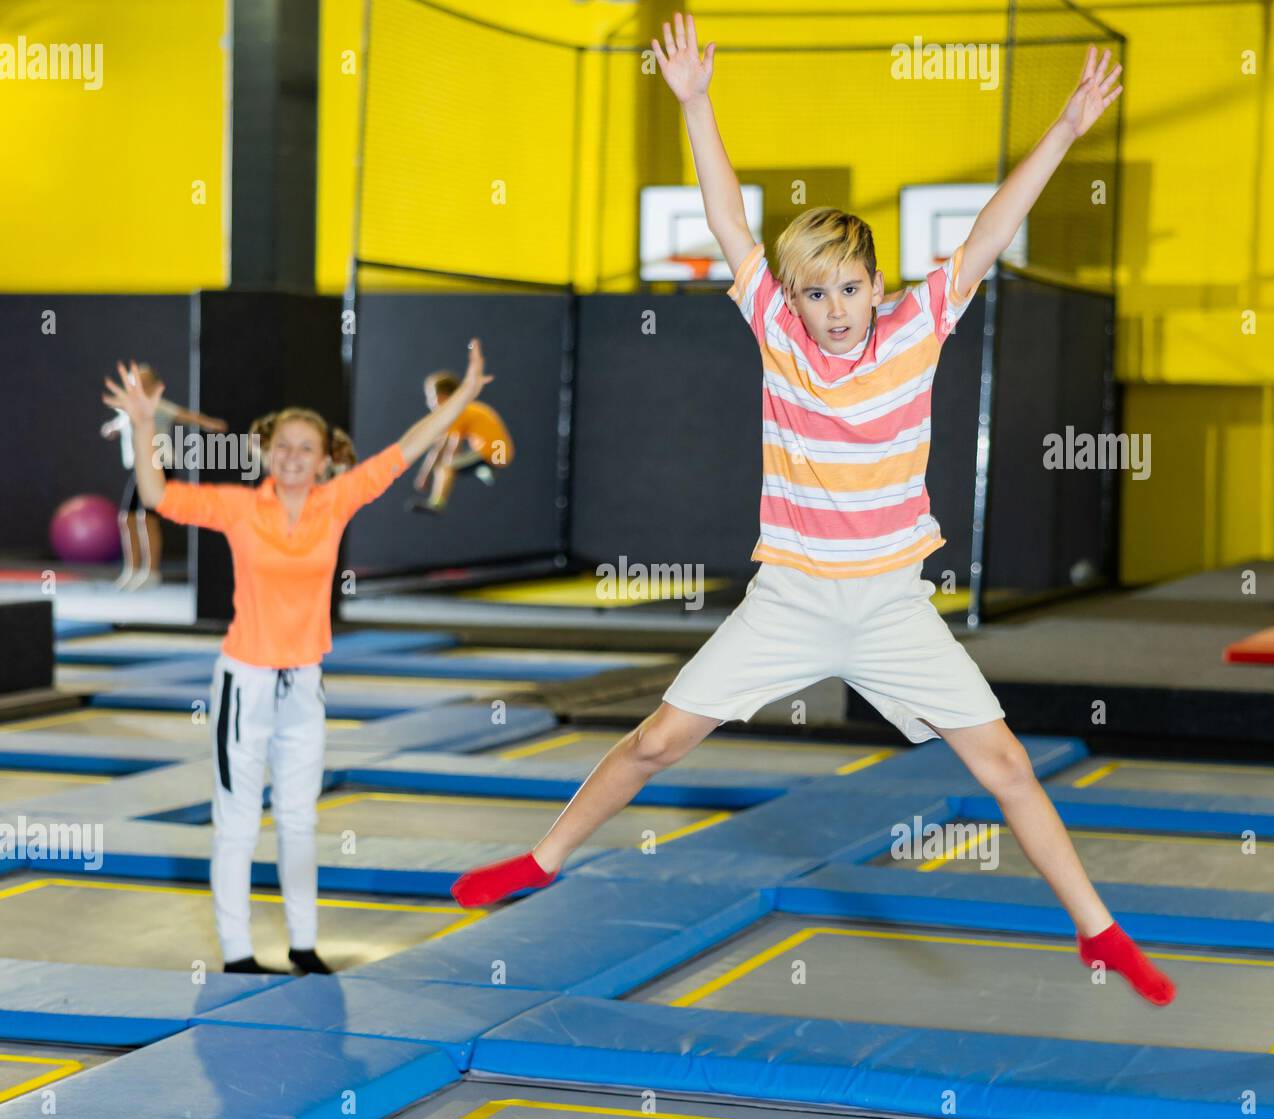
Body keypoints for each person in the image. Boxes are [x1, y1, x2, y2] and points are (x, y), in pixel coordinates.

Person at [452, 17, 1169, 1007]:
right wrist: (696, 103)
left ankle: (1096, 929)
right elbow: (727, 224)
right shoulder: (778, 336)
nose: (832, 309)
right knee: (657, 740)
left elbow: (991, 230)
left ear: (879, 286)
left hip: (887, 602)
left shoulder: (921, 324)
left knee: (1003, 762)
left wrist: (1061, 131)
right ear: (789, 300)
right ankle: (542, 859)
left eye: (847, 289)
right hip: (789, 596)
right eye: (813, 293)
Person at [101, 342, 493, 974]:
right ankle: (236, 955)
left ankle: (304, 944)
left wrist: (465, 398)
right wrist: (145, 423)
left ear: (324, 459)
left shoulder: (336, 501)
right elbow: (156, 492)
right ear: (264, 450)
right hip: (245, 683)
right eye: (282, 446)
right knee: (235, 822)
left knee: (297, 819)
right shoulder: (236, 506)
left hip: (304, 684)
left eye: (305, 449)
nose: (292, 457)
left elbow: (408, 448)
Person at [100, 363, 228, 590]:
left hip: (160, 466)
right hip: (140, 468)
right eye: (134, 381)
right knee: (127, 518)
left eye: (144, 381)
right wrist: (110, 429)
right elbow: (117, 424)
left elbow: (186, 416)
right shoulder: (129, 408)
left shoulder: (158, 406)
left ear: (155, 386)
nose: (139, 385)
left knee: (146, 518)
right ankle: (132, 569)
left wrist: (210, 423)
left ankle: (152, 572)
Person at [407, 370, 513, 513]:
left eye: (432, 397)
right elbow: (452, 445)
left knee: (445, 467)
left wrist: (426, 475)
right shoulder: (466, 409)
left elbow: (443, 447)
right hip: (500, 452)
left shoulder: (455, 412)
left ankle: (437, 503)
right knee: (457, 463)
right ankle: (485, 469)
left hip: (491, 452)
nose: (430, 402)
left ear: (443, 397)